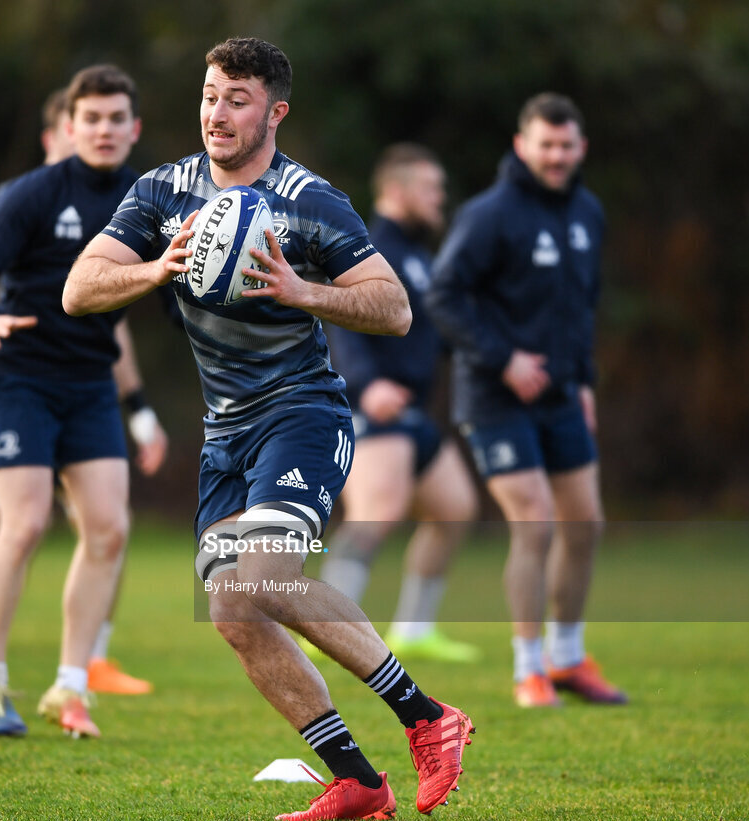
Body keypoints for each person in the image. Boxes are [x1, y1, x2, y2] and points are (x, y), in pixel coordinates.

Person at [64, 38, 474, 819]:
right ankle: (357, 781)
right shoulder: (162, 192)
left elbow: (394, 307)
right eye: (211, 95)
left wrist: (300, 290)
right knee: (234, 611)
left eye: (238, 99)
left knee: (262, 577)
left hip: (302, 415)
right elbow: (80, 290)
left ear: (275, 112)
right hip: (227, 435)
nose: (217, 114)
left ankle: (428, 718)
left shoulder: (310, 201)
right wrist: (156, 269)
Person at [0, 64, 162, 737]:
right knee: (25, 523)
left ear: (135, 129)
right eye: (90, 119)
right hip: (18, 378)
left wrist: (144, 405)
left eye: (115, 119)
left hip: (90, 384)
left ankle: (70, 688)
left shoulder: (147, 199)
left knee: (108, 528)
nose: (103, 130)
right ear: (69, 127)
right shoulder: (35, 192)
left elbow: (160, 301)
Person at [425, 93, 627, 708]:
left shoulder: (587, 212)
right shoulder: (491, 215)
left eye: (567, 146)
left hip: (562, 395)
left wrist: (584, 382)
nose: (557, 156)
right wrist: (504, 359)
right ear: (522, 146)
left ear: (581, 148)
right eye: (546, 144)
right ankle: (527, 669)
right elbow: (443, 295)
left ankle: (568, 659)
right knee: (534, 521)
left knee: (585, 523)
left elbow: (580, 310)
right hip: (494, 395)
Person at [317, 144, 481, 663]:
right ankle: (322, 628)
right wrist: (366, 385)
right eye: (431, 188)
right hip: (376, 405)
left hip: (415, 413)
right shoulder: (365, 245)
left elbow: (435, 334)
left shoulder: (418, 254)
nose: (440, 198)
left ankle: (413, 628)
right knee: (375, 516)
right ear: (398, 190)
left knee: (455, 510)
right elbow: (338, 319)